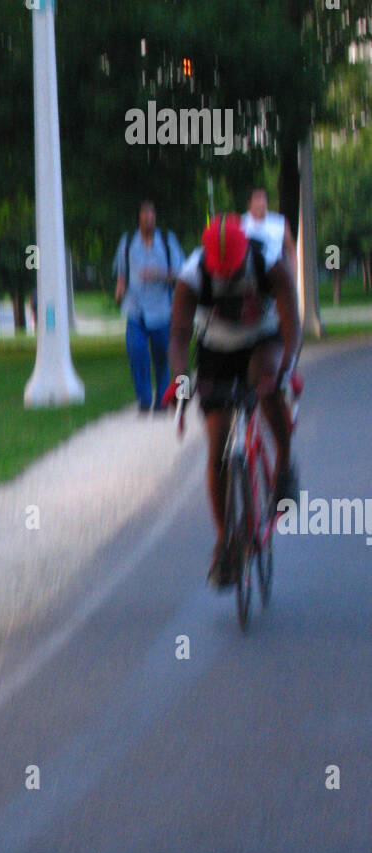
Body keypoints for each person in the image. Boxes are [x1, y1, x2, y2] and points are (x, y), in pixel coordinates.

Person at [162, 213, 301, 589]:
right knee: (219, 443)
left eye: (231, 270)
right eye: (218, 271)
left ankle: (285, 467)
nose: (224, 277)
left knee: (267, 383)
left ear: (244, 255)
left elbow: (292, 327)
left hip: (263, 341)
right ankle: (225, 540)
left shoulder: (268, 264)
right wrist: (180, 381)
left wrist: (286, 368)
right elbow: (177, 337)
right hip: (216, 352)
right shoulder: (192, 277)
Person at [113, 201, 184, 412]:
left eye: (152, 216)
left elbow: (182, 274)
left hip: (162, 310)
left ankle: (162, 400)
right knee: (136, 351)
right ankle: (144, 399)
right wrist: (119, 290)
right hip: (135, 309)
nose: (149, 220)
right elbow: (121, 274)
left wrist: (159, 274)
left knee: (162, 357)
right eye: (145, 216)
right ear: (139, 219)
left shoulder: (167, 241)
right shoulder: (126, 243)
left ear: (155, 218)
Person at [242, 187, 296, 271]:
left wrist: (294, 274)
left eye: (264, 198)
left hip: (274, 272)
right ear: (249, 203)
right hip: (249, 274)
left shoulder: (279, 222)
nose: (262, 202)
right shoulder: (241, 224)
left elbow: (291, 249)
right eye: (258, 198)